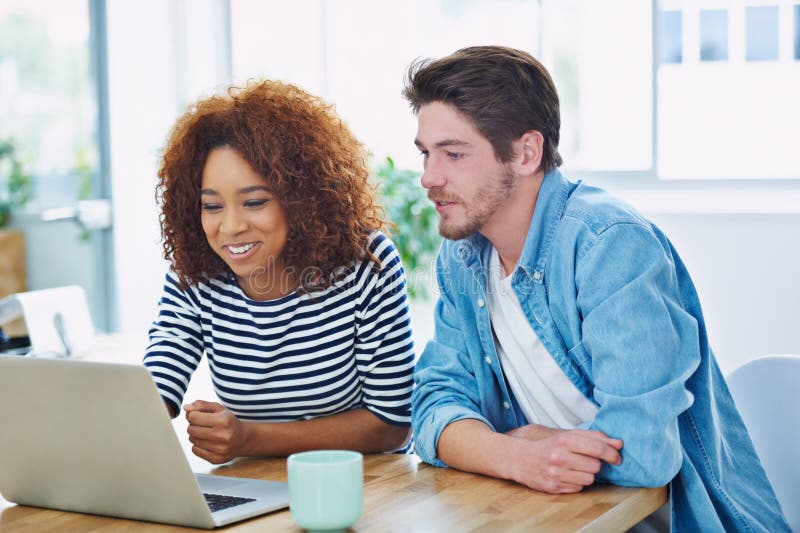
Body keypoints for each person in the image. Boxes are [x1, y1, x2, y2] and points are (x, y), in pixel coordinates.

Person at [404, 45, 789, 531]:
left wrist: (519, 442)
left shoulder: (609, 246)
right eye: (425, 153)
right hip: (553, 515)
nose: (428, 177)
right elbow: (432, 408)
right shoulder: (463, 256)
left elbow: (646, 453)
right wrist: (513, 453)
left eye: (453, 154)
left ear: (526, 152)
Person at [144, 80, 415, 464]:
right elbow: (163, 365)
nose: (231, 226)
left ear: (302, 198)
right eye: (212, 206)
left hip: (364, 485)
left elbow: (392, 424)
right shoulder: (198, 270)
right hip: (255, 489)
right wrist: (136, 412)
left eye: (254, 202)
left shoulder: (364, 263)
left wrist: (250, 440)